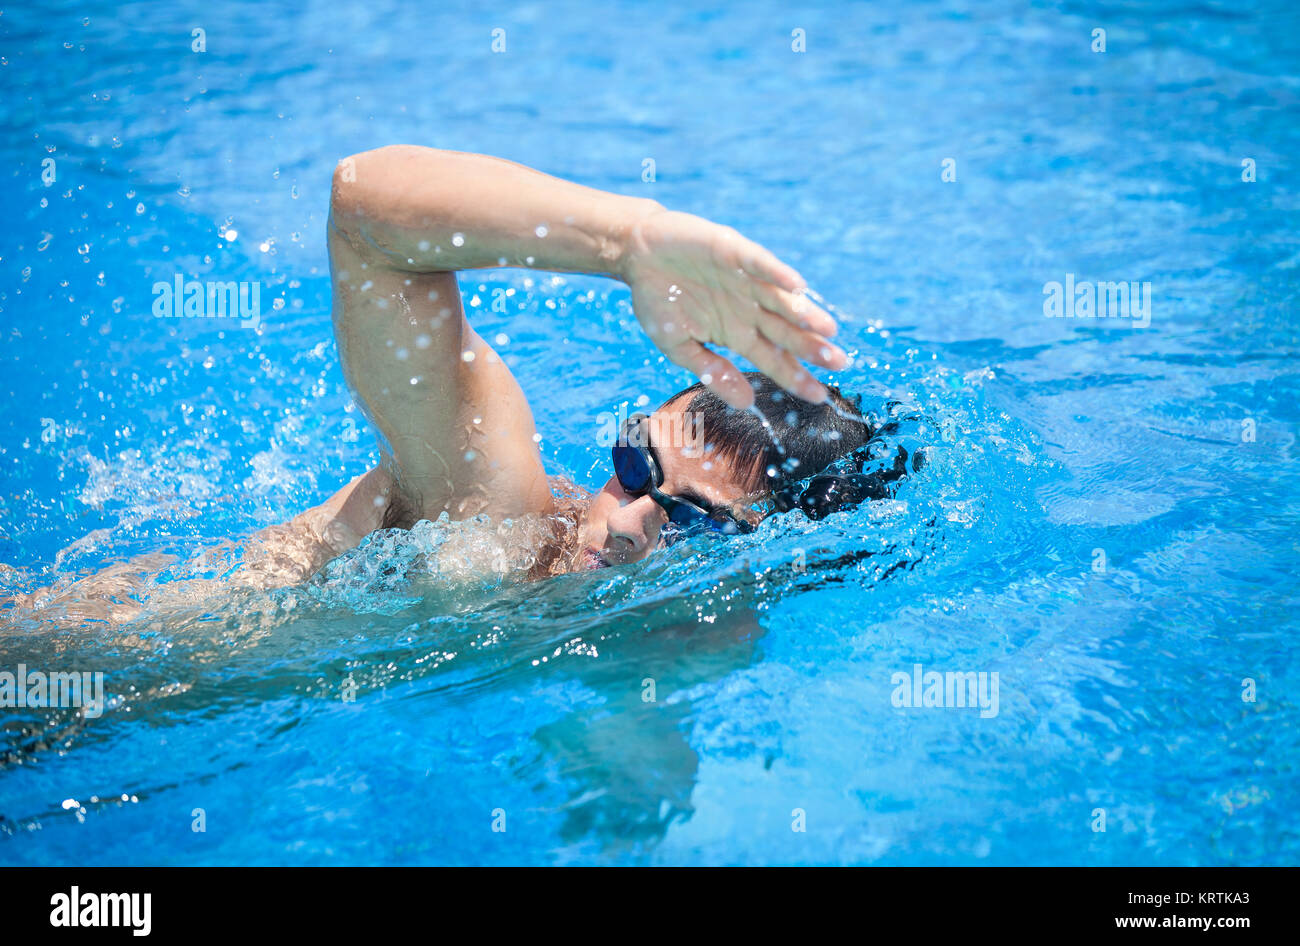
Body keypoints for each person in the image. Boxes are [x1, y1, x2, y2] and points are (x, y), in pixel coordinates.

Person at [6, 147, 911, 621]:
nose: (631, 517)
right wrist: (623, 242)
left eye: (694, 518)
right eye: (636, 465)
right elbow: (363, 210)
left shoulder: (672, 638)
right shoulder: (495, 521)